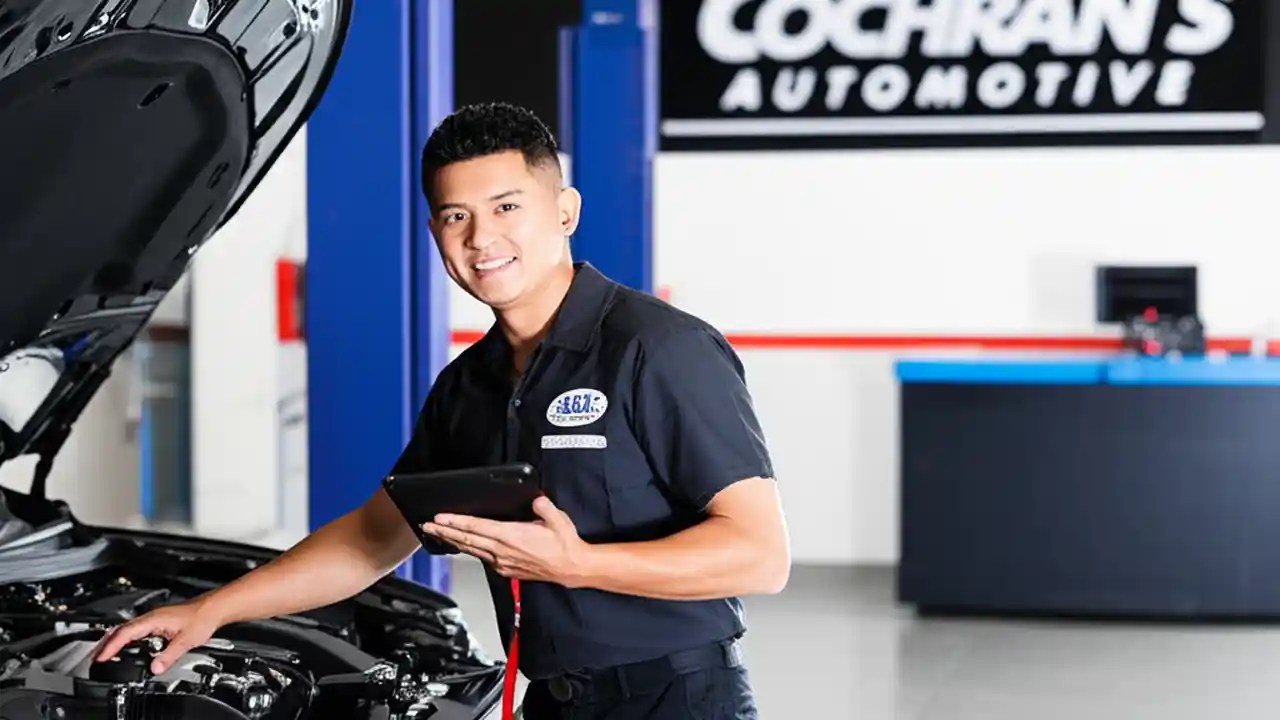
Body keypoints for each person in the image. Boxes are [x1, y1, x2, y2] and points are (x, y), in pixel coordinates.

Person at [95, 102, 791, 719]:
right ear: (435, 231)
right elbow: (373, 538)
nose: (481, 238)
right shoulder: (468, 386)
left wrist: (579, 564)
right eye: (457, 215)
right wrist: (211, 611)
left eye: (507, 206)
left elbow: (761, 555)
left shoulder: (657, 348)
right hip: (552, 699)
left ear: (566, 211)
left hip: (681, 699)